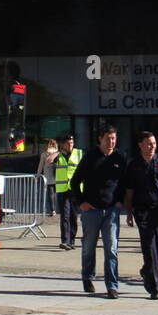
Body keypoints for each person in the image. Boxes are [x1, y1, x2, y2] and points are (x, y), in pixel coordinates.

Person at [70, 124, 127, 299]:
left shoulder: (120, 157)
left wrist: (120, 202)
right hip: (91, 210)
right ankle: (87, 277)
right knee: (88, 247)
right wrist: (82, 203)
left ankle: (112, 285)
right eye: (109, 138)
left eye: (114, 139)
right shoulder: (90, 157)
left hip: (111, 211)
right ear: (100, 139)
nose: (112, 142)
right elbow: (74, 181)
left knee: (111, 249)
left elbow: (125, 182)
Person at [123, 132, 158, 299]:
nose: (152, 146)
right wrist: (129, 212)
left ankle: (146, 270)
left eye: (154, 143)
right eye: (148, 143)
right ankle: (154, 287)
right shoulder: (133, 164)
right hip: (143, 211)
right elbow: (129, 190)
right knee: (149, 248)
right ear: (140, 144)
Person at [54, 134, 83, 250]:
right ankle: (65, 240)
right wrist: (58, 152)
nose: (70, 145)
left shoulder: (79, 153)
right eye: (68, 143)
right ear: (63, 144)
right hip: (62, 190)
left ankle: (72, 240)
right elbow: (49, 160)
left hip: (74, 189)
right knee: (64, 216)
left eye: (71, 143)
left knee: (73, 216)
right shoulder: (59, 155)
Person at [36, 139, 59, 222]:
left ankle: (53, 210)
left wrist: (38, 175)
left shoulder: (44, 154)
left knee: (50, 193)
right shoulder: (58, 153)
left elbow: (41, 165)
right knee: (57, 193)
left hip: (48, 176)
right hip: (58, 176)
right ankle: (59, 208)